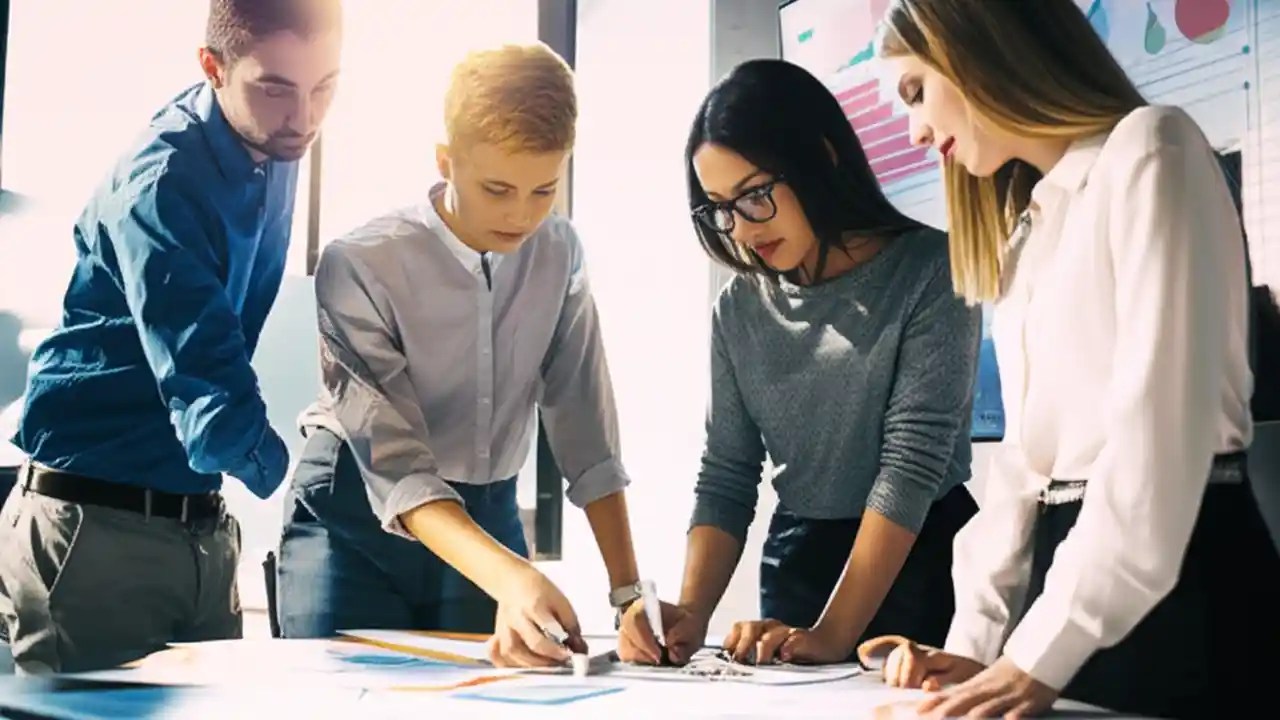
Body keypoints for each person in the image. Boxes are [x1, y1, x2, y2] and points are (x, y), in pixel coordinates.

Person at [860, 1, 1280, 717]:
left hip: (1184, 601)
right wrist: (979, 645)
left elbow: (1157, 449)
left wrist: (1036, 652)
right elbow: (1027, 470)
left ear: (975, 45)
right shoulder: (1031, 230)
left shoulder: (1154, 149)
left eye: (915, 92)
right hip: (1077, 605)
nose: (917, 130)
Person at [275, 42, 645, 668]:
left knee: (492, 701)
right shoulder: (359, 263)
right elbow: (393, 463)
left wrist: (628, 596)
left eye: (543, 189)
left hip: (488, 509)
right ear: (447, 160)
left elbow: (585, 430)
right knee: (341, 701)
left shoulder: (560, 252)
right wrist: (511, 578)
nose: (520, 214)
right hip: (352, 513)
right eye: (497, 187)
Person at [0, 0, 342, 673]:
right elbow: (212, 415)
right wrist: (328, 475)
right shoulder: (164, 184)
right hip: (96, 531)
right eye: (275, 89)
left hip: (200, 528)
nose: (303, 117)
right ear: (212, 68)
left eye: (324, 87)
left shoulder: (275, 138)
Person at [616, 58, 981, 668]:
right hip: (798, 560)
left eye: (756, 194)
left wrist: (835, 632)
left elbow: (910, 469)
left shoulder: (930, 270)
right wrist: (689, 616)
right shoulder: (737, 310)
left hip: (919, 558)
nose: (742, 229)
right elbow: (728, 473)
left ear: (822, 156)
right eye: (720, 207)